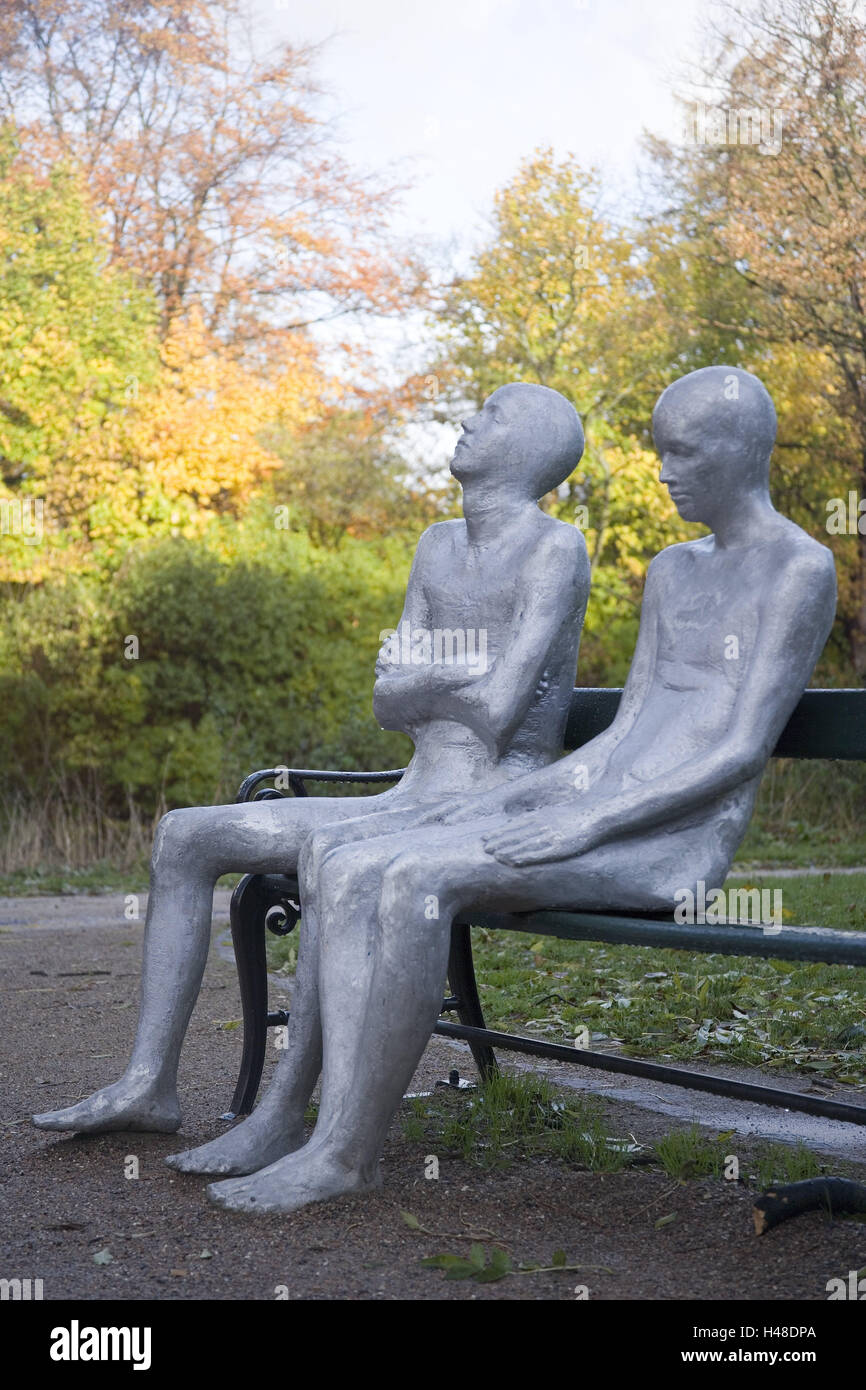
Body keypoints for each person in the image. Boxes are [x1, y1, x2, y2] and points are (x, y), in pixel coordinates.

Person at [203, 364, 837, 1215]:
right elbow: (623, 733)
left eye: (681, 452)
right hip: (600, 812)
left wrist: (583, 828)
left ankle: (350, 1153)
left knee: (420, 878)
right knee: (356, 863)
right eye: (659, 451)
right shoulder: (672, 570)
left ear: (740, 449)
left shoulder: (798, 569)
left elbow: (736, 752)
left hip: (672, 843)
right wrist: (504, 802)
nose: (663, 471)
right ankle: (310, 1127)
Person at [33, 382, 589, 1141]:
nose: (465, 421)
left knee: (336, 855)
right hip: (411, 791)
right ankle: (147, 1085)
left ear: (529, 446)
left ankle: (287, 1116)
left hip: (487, 803)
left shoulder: (555, 548)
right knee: (183, 835)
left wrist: (424, 674)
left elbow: (497, 713)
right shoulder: (435, 545)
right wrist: (447, 678)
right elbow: (386, 707)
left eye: (488, 414)